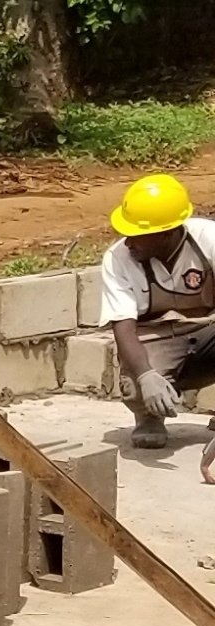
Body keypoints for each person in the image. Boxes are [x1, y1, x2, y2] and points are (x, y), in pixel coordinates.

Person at [96, 173, 215, 447]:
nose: (128, 242)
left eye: (137, 235)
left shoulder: (208, 240)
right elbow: (123, 328)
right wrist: (146, 375)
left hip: (208, 331)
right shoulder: (118, 259)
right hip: (156, 340)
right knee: (136, 384)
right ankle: (149, 417)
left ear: (167, 233)